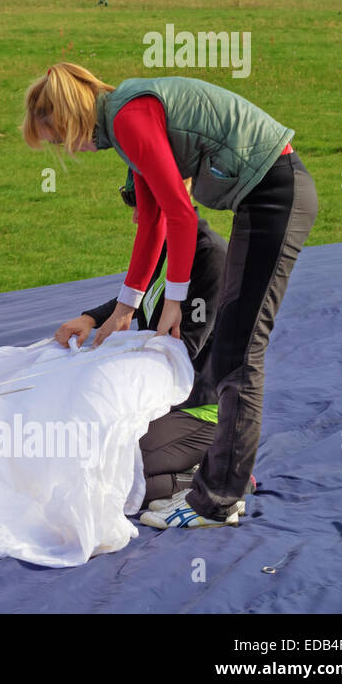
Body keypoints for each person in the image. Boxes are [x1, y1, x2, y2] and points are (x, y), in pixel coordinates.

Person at [24, 64, 317, 528]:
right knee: (236, 352)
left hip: (275, 192)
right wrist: (123, 309)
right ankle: (221, 485)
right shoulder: (126, 123)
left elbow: (179, 215)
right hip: (261, 195)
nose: (69, 150)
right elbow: (153, 224)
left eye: (61, 138)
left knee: (241, 353)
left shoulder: (127, 116)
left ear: (71, 118)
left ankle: (218, 499)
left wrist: (175, 300)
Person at [51, 169, 254, 511]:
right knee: (82, 451)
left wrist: (113, 365)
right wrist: (90, 318)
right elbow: (138, 297)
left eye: (142, 207)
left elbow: (186, 350)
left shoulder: (210, 259)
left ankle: (221, 475)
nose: (134, 219)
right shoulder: (163, 247)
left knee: (120, 473)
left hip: (199, 406)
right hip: (156, 396)